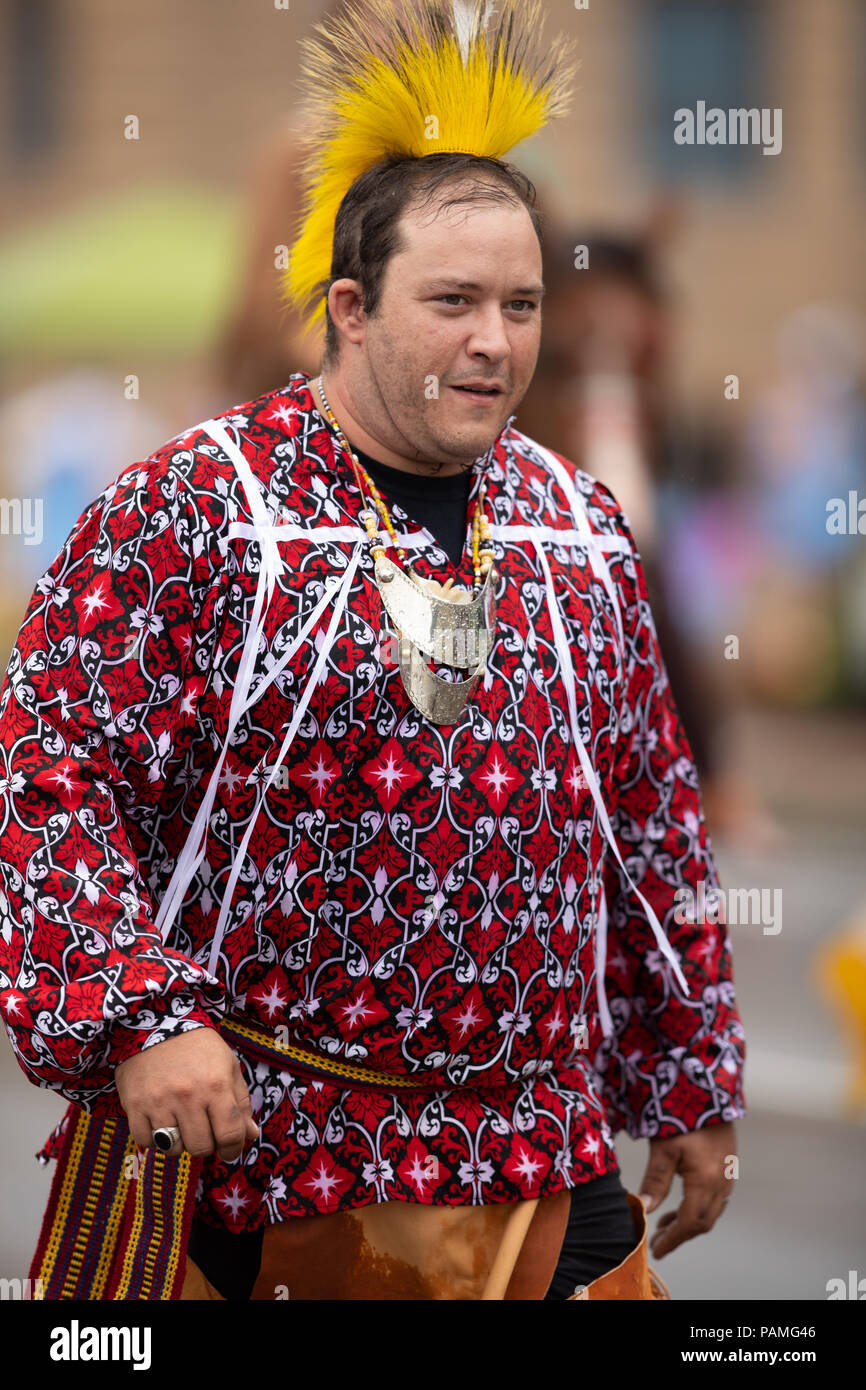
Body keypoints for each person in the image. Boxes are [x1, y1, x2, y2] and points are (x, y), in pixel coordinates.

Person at [0, 0, 745, 1300]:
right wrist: (141, 1020)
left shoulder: (577, 523)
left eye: (519, 305)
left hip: (535, 1162)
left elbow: (649, 820)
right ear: (348, 306)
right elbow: (47, 775)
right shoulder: (190, 506)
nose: (493, 341)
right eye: (450, 301)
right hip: (257, 1170)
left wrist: (686, 1070)